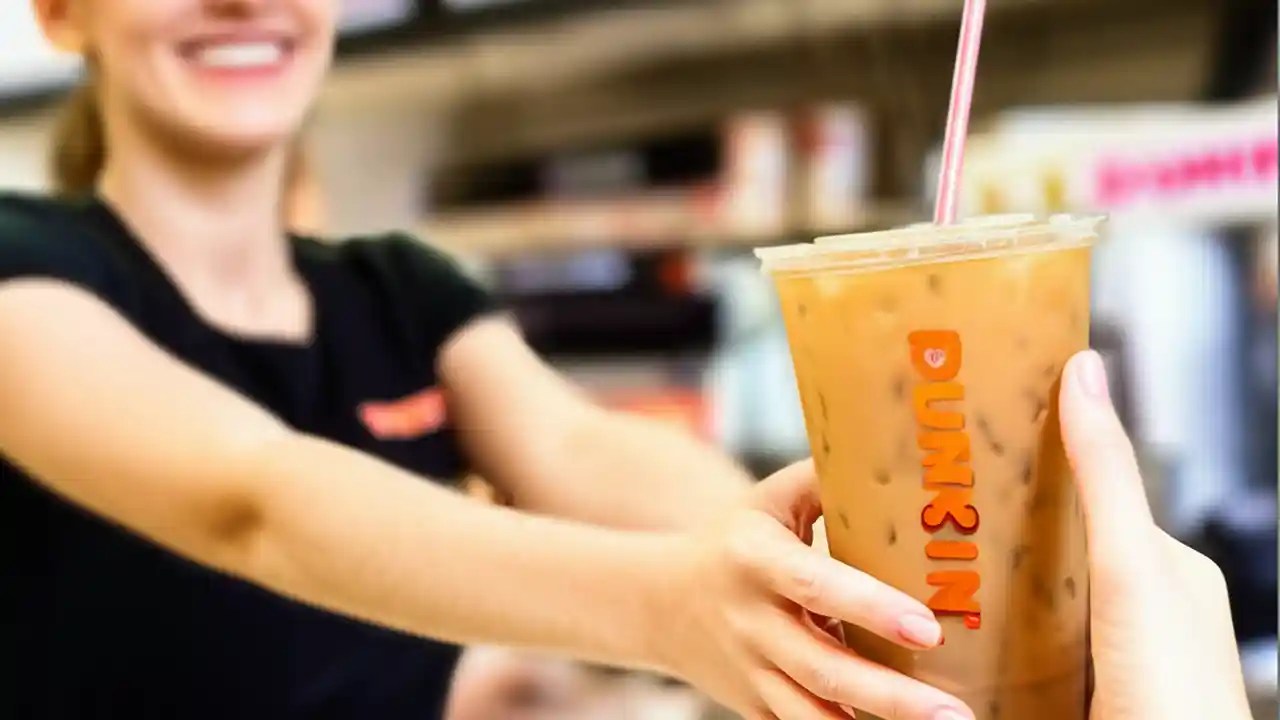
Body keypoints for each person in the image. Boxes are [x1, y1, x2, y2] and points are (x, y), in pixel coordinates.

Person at [0, 3, 1251, 720]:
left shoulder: (398, 289)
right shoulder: (23, 265)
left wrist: (820, 581)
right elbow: (253, 498)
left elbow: (576, 447)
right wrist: (676, 609)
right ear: (60, 11)